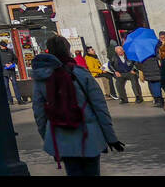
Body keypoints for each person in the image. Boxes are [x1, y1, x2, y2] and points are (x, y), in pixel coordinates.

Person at [31, 34, 122, 176]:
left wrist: (48, 139)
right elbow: (100, 108)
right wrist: (111, 138)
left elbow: (39, 114)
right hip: (88, 134)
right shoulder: (80, 73)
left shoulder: (42, 78)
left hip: (61, 135)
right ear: (68, 49)